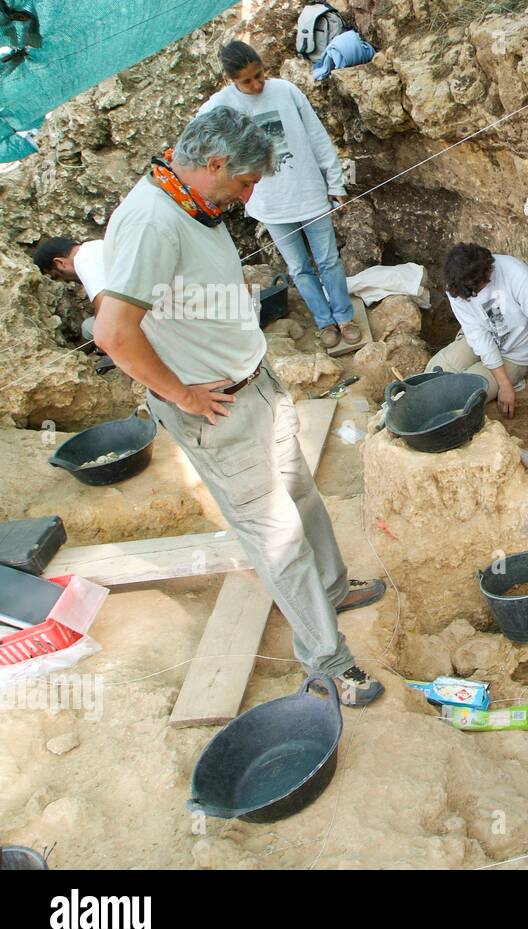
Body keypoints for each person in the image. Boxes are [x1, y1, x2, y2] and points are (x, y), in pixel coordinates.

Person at [94, 107, 385, 705]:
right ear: (216, 163)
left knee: (299, 492)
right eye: (246, 184)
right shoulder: (152, 223)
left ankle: (331, 591)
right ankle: (327, 661)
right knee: (275, 532)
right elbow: (115, 333)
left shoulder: (191, 201)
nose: (249, 197)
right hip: (215, 408)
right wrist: (182, 395)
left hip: (253, 381)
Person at [199, 41, 359, 349]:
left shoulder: (286, 91)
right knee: (298, 267)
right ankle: (325, 322)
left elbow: (317, 137)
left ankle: (344, 317)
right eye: (247, 81)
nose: (257, 84)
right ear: (231, 80)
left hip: (310, 194)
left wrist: (335, 183)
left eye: (260, 75)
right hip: (270, 205)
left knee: (329, 261)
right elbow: (196, 133)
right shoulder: (221, 105)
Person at [428, 243, 528, 417]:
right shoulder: (456, 286)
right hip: (479, 340)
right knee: (432, 372)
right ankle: (401, 407)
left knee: (462, 395)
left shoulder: (518, 276)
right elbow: (477, 335)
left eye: (476, 291)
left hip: (516, 354)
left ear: (489, 272)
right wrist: (504, 384)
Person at [32, 236, 106, 345]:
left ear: (60, 263)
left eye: (57, 276)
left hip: (138, 312)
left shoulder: (84, 261)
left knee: (90, 328)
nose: (66, 281)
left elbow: (105, 309)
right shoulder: (96, 245)